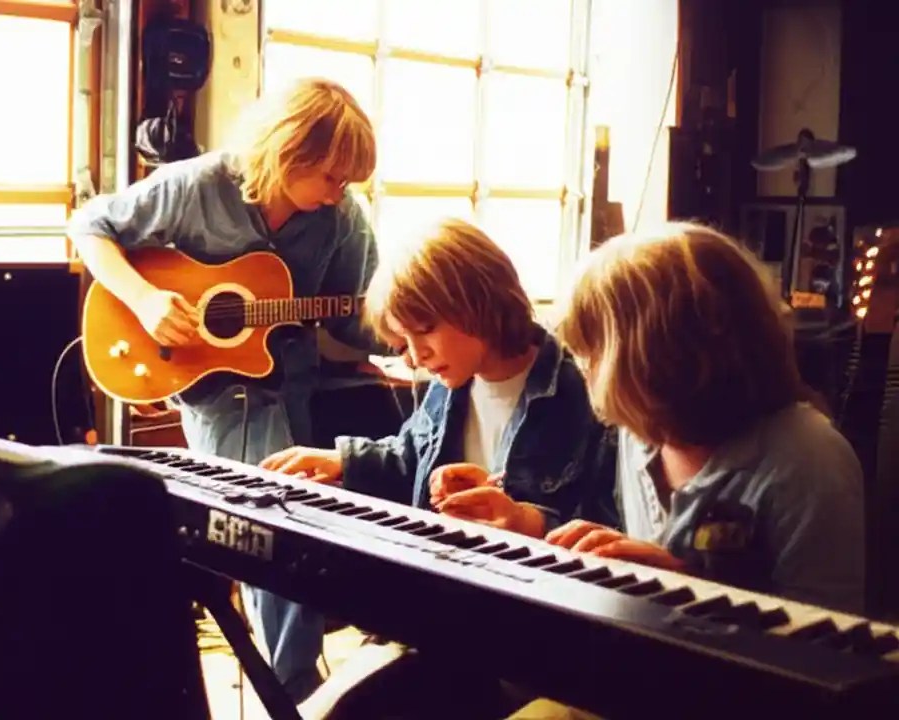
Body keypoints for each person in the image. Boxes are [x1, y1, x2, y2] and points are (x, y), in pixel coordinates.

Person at [67, 77, 381, 702]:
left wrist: (415, 336)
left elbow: (360, 314)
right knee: (276, 520)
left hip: (298, 384)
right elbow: (89, 225)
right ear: (289, 152)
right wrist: (147, 298)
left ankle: (370, 651)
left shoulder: (342, 219)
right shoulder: (198, 185)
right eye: (330, 176)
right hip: (219, 391)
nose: (340, 192)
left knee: (347, 494)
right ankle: (295, 687)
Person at [258, 218, 618, 717]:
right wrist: (343, 461)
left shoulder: (584, 393)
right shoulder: (452, 386)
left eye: (424, 332)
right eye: (403, 341)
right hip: (445, 622)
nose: (415, 357)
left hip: (533, 643)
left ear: (478, 302)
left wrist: (524, 523)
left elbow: (613, 530)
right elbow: (410, 457)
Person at [463, 222, 865, 614]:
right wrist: (529, 524)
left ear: (661, 358)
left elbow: (827, 652)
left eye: (596, 351)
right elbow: (625, 542)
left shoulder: (809, 458)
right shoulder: (640, 432)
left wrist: (683, 585)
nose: (583, 368)